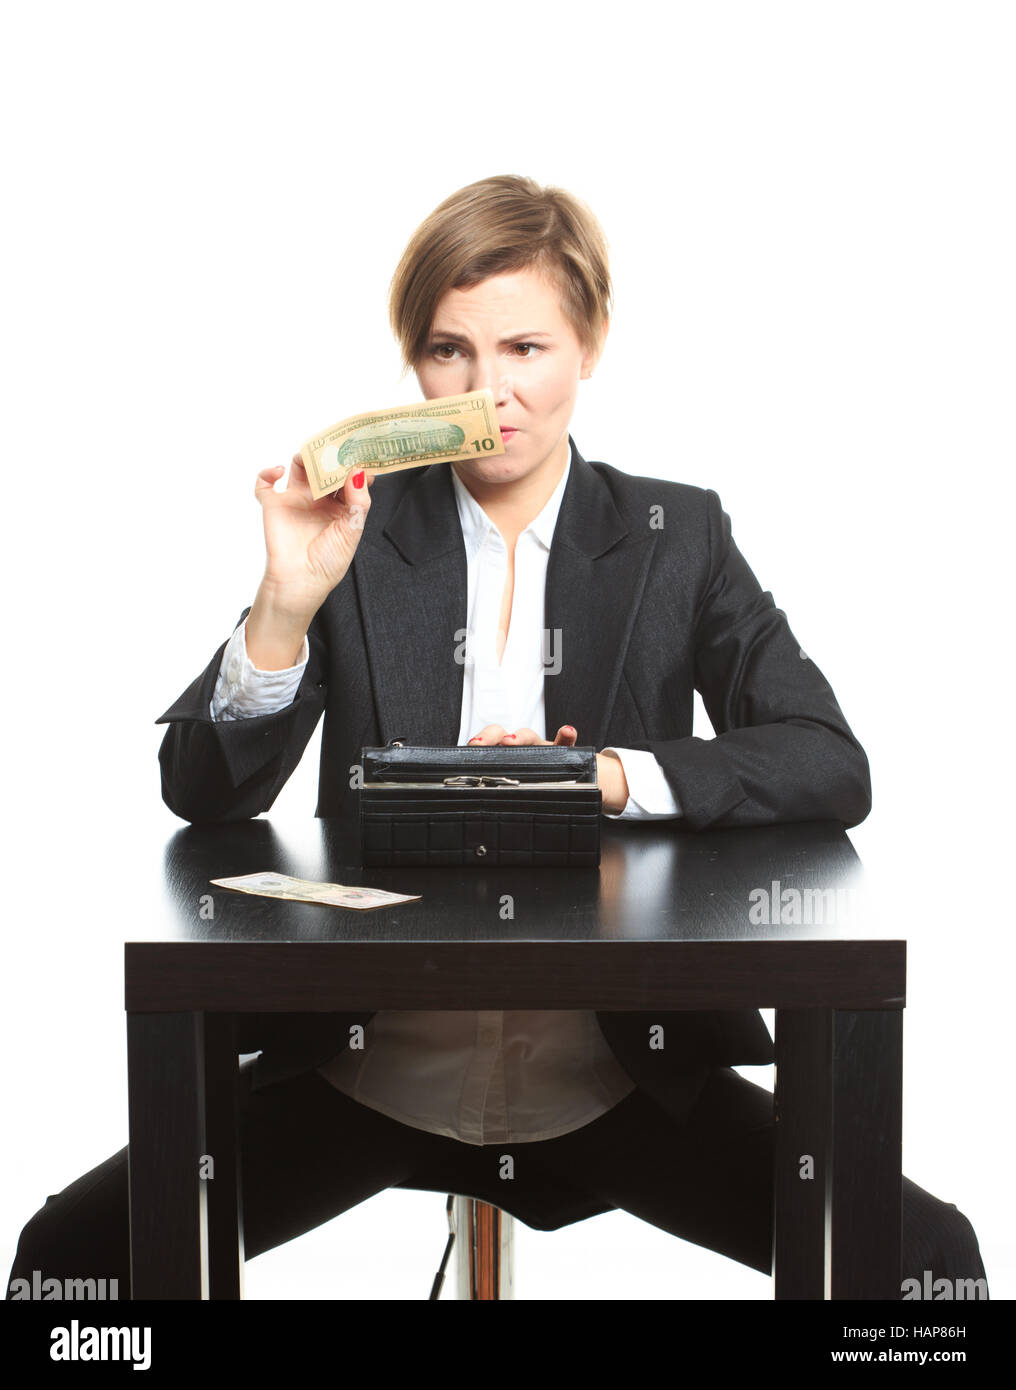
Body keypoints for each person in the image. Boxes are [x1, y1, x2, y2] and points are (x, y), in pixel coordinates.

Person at [7, 175, 986, 1299]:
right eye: (448, 352)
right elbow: (202, 790)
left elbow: (826, 757)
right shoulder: (360, 539)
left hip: (615, 1077)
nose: (490, 394)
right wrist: (283, 603)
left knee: (926, 1266)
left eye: (524, 348)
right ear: (414, 366)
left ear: (589, 346)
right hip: (371, 1066)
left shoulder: (679, 536)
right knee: (70, 1265)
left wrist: (603, 776)